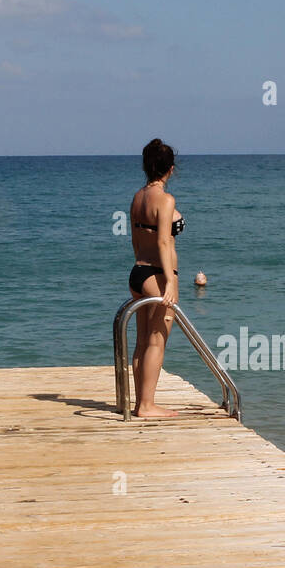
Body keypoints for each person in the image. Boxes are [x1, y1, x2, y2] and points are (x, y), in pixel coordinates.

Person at [127, 138, 185, 417]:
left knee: (141, 341)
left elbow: (137, 241)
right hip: (158, 275)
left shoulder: (138, 197)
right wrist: (170, 281)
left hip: (137, 272)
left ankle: (141, 402)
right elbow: (163, 242)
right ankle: (147, 405)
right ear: (170, 169)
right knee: (156, 341)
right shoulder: (165, 199)